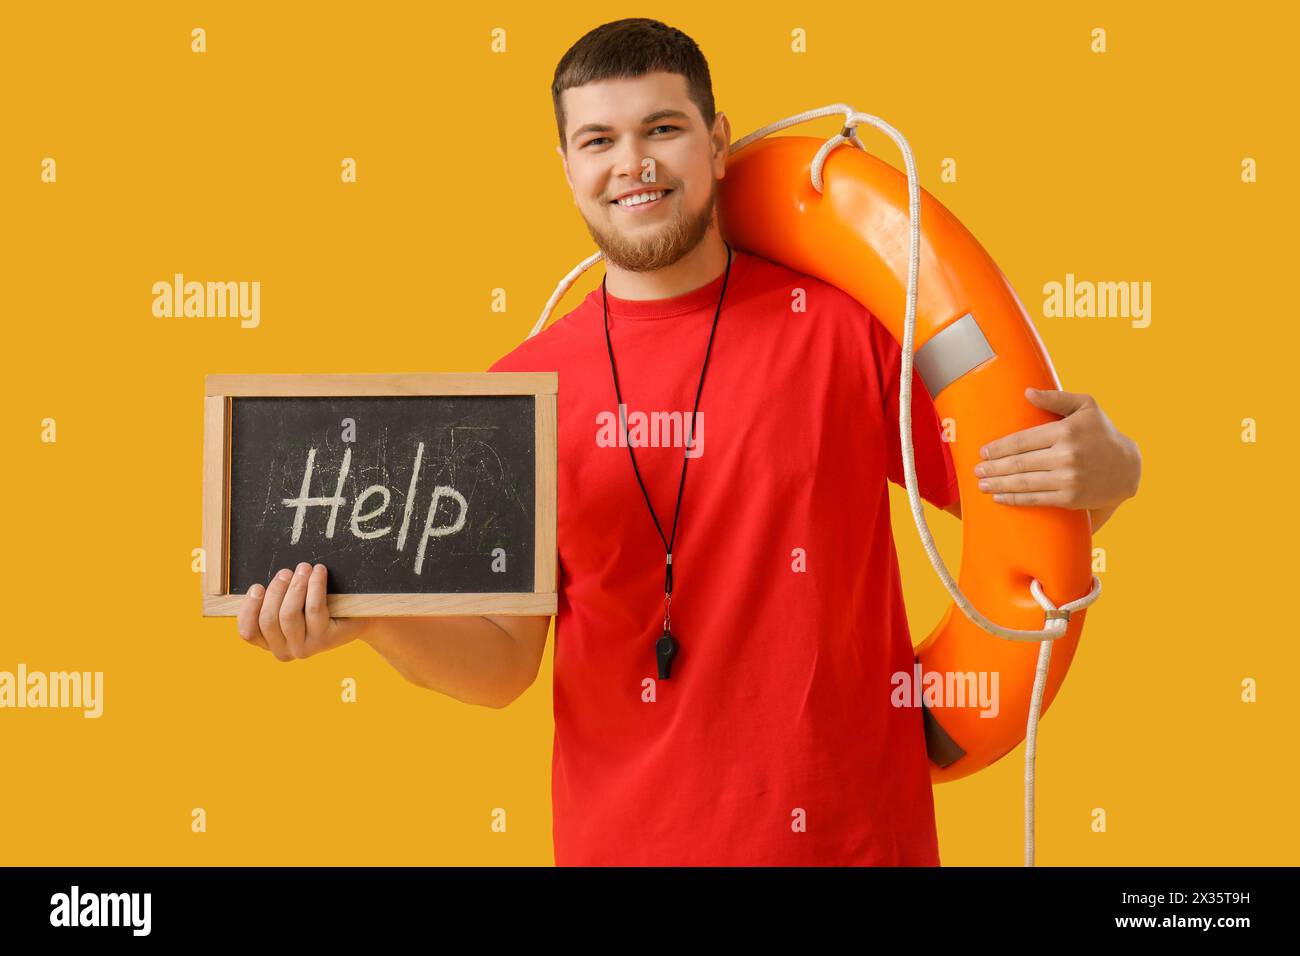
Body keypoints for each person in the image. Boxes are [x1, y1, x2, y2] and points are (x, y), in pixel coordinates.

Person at [235, 18, 1142, 866]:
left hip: (857, 842)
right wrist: (371, 618)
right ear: (566, 166)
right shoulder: (514, 393)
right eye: (598, 141)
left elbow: (1029, 503)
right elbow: (504, 664)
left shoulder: (842, 331)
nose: (632, 164)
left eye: (661, 129)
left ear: (715, 141)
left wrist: (1116, 468)